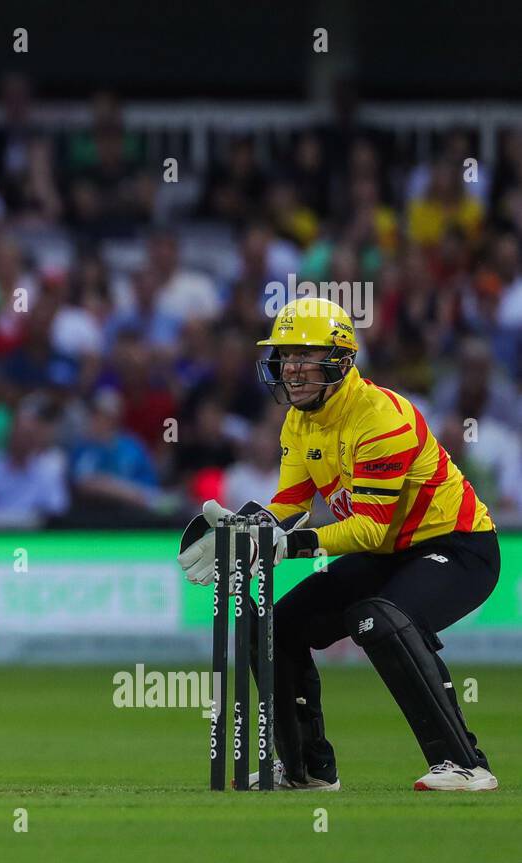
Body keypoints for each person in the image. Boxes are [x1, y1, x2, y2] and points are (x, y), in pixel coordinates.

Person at [178, 298, 499, 792]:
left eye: (306, 355)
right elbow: (289, 503)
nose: (292, 368)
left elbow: (369, 527)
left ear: (342, 359)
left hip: (458, 547)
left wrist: (285, 546)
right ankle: (307, 770)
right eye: (286, 356)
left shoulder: (382, 417)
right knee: (277, 629)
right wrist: (249, 528)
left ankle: (464, 763)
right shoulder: (299, 421)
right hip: (387, 553)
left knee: (381, 618)